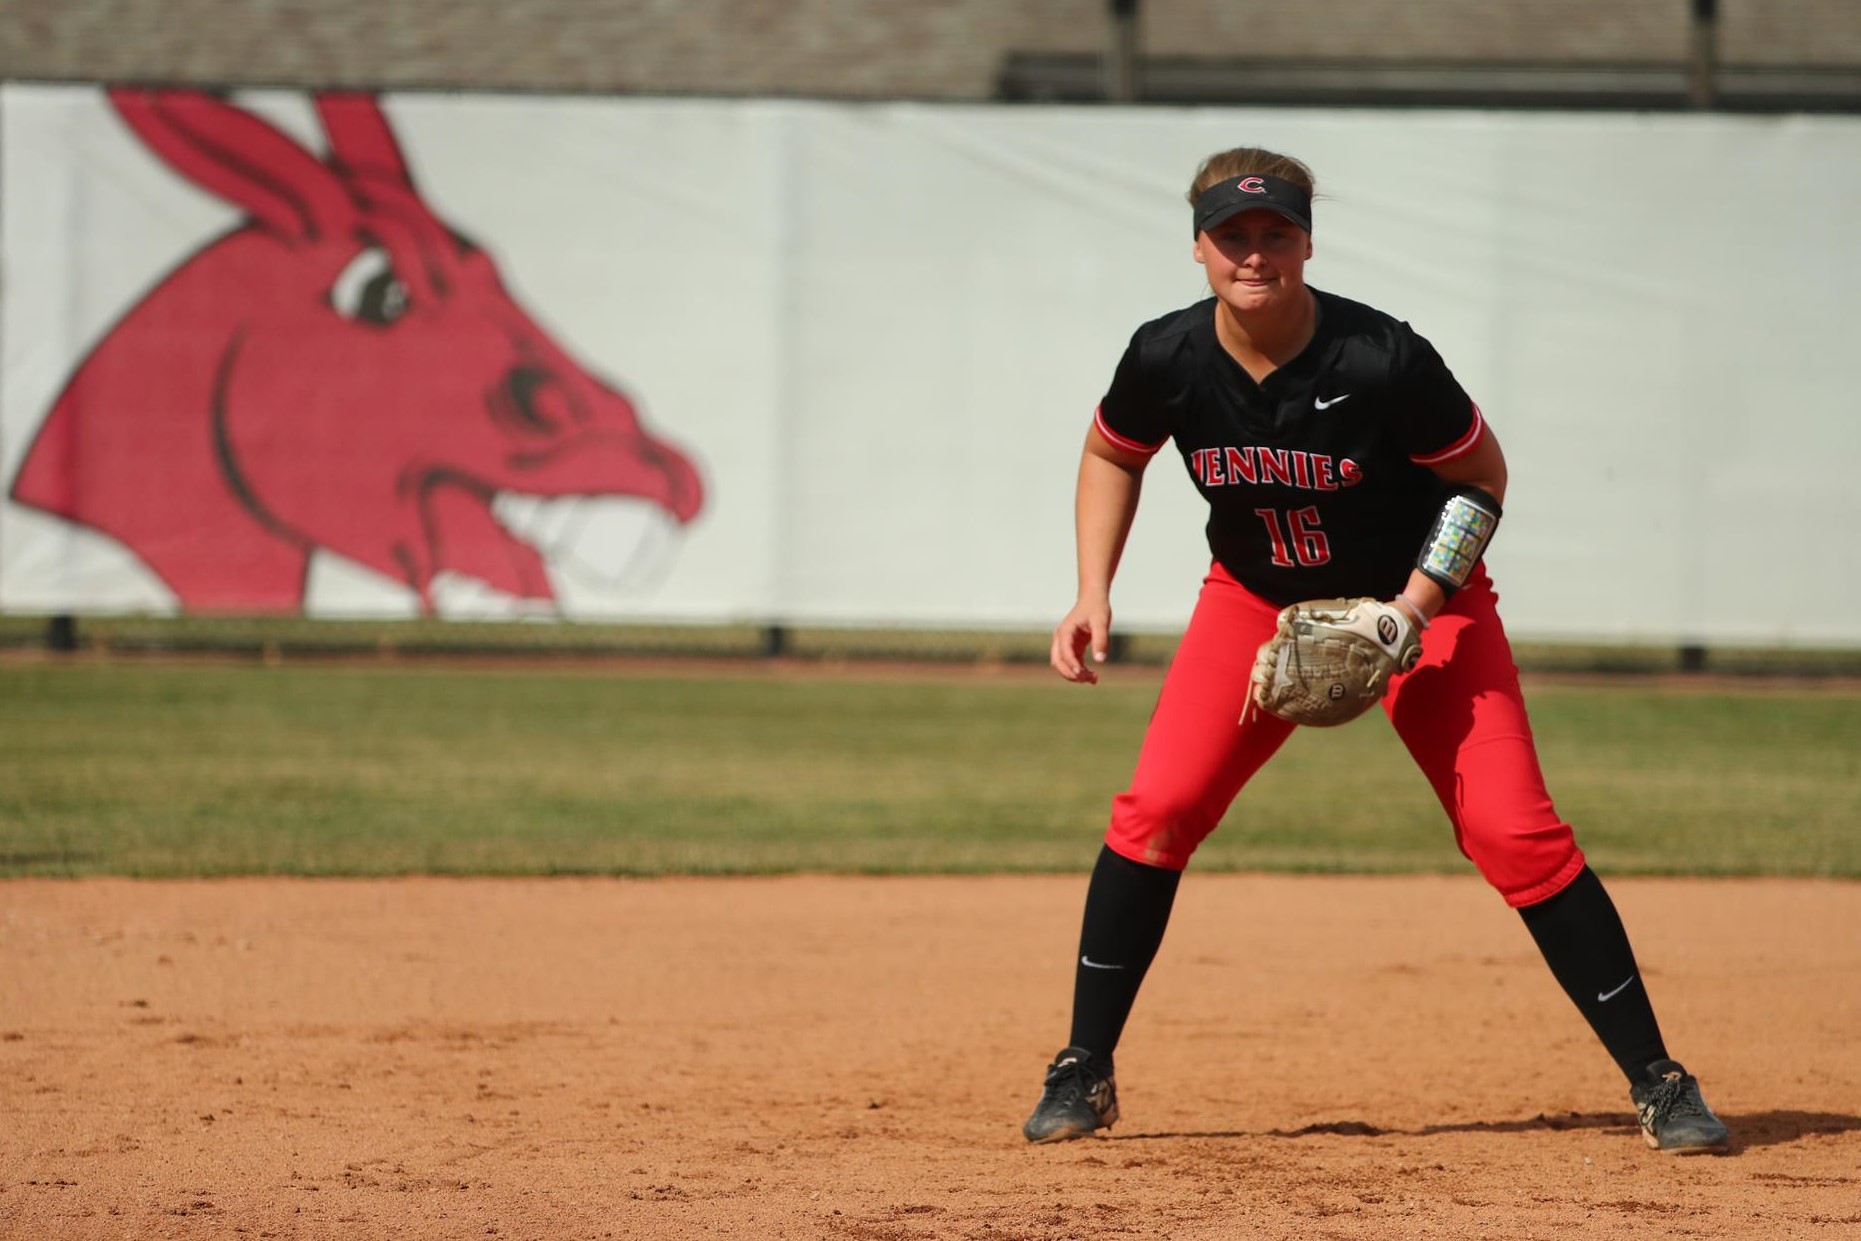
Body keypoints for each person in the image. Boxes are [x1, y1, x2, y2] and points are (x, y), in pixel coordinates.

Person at [1020, 147, 1729, 1155]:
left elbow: (1480, 481)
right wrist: (1092, 589)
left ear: (1307, 242)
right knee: (1158, 807)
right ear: (1198, 247)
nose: (1253, 253)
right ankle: (1082, 1068)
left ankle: (1659, 1080)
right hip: (1255, 601)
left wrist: (1411, 606)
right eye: (1231, 235)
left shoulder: (1380, 358)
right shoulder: (1165, 356)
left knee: (1514, 832)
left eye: (1275, 233)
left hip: (1423, 610)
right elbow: (1111, 451)